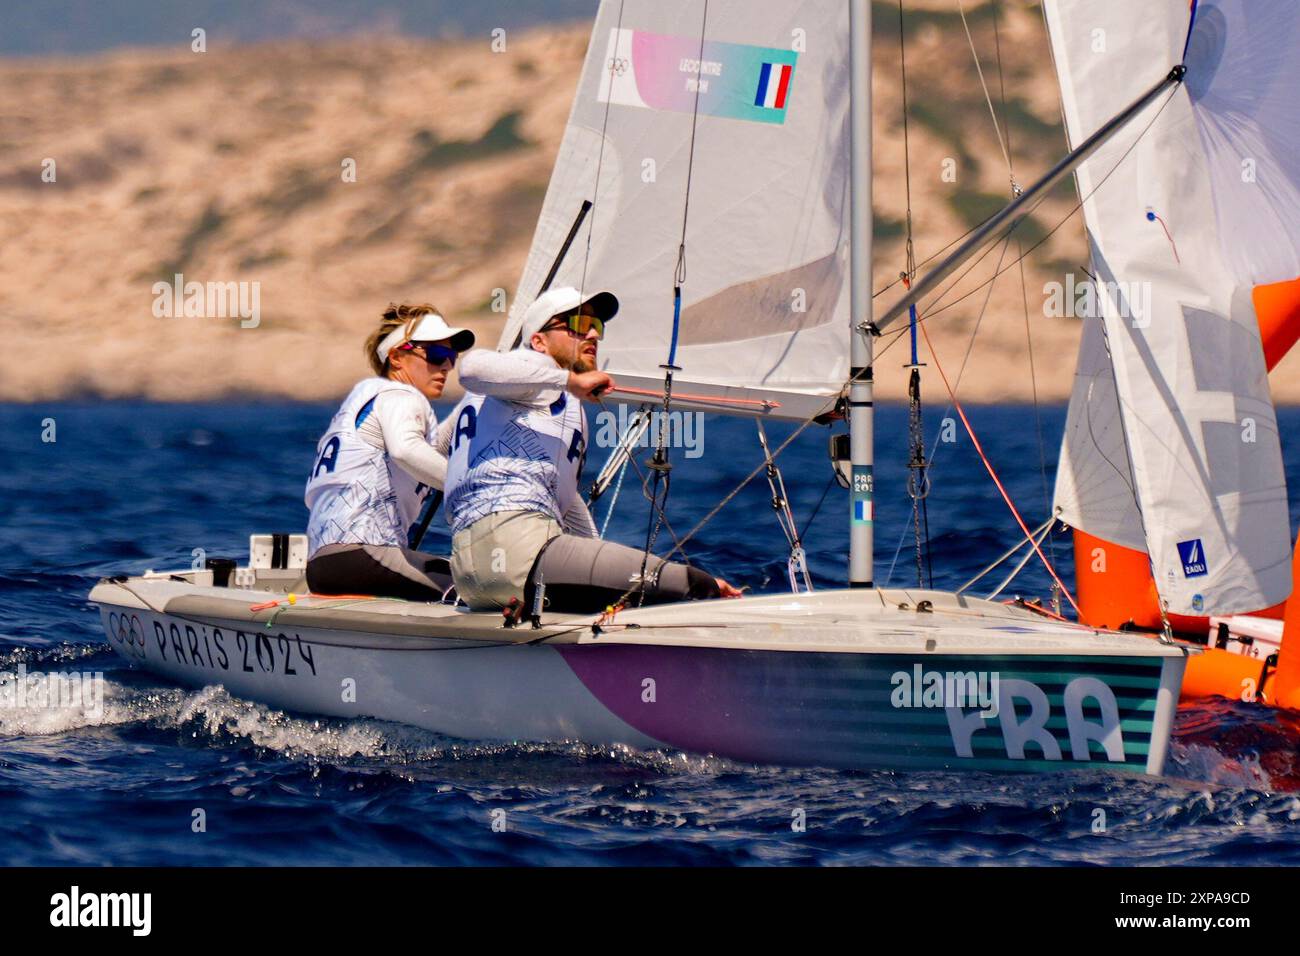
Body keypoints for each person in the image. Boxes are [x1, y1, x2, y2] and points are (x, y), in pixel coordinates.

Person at [443, 286, 741, 615]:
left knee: (621, 596)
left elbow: (568, 500)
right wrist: (568, 380)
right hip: (518, 552)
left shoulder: (529, 401)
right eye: (576, 322)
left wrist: (596, 560)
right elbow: (470, 368)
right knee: (696, 586)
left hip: (472, 575)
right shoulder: (535, 369)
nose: (591, 333)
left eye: (596, 326)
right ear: (539, 340)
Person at [304, 303, 474, 600]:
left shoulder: (363, 401)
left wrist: (478, 398)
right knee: (484, 587)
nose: (447, 366)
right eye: (436, 355)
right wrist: (476, 488)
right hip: (364, 559)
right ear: (396, 357)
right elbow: (406, 451)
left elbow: (432, 449)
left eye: (451, 357)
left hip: (322, 566)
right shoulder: (401, 396)